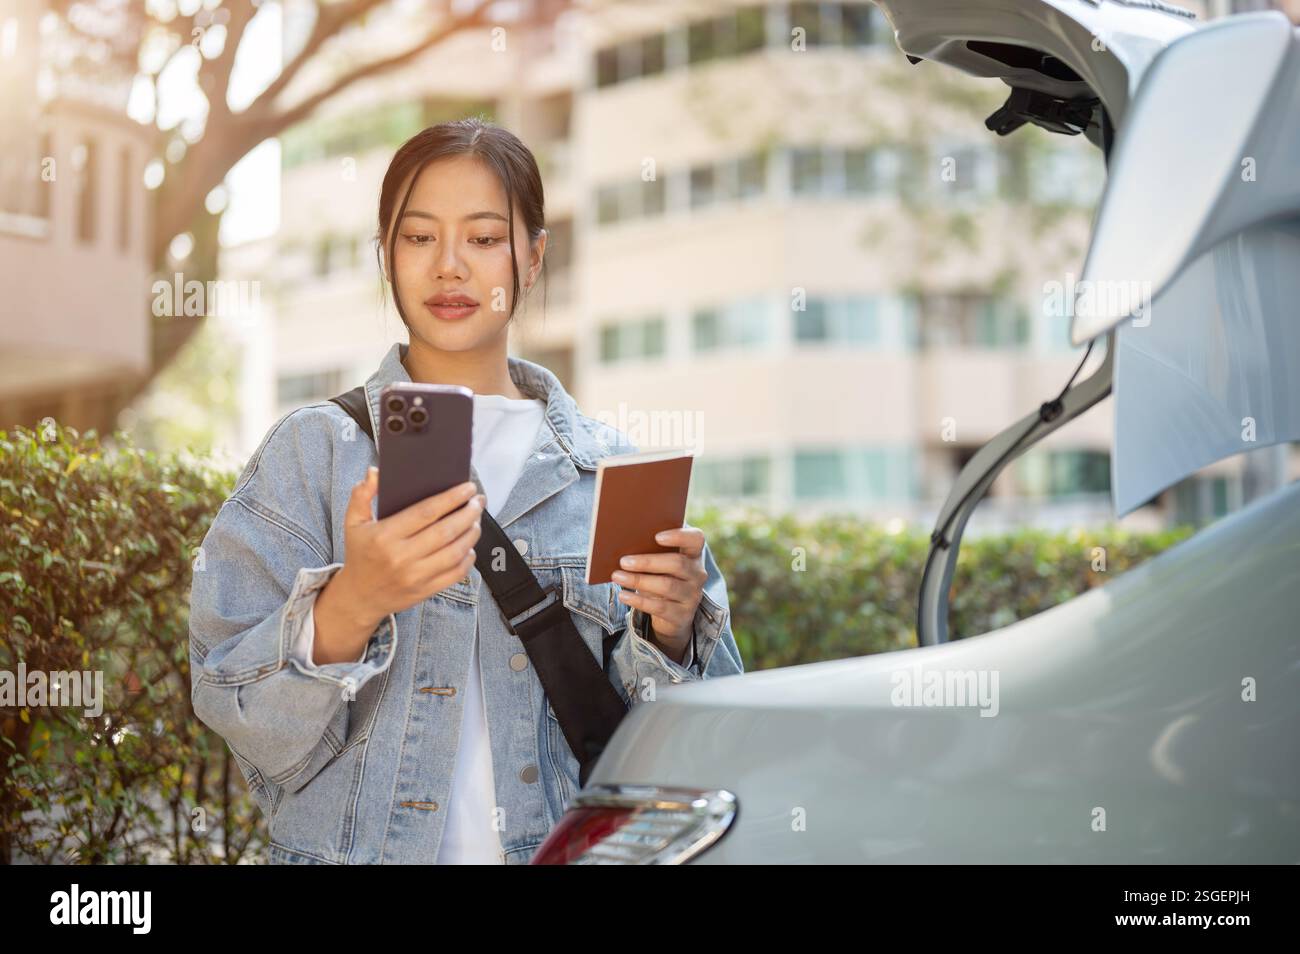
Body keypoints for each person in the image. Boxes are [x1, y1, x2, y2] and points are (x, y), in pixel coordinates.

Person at [188, 118, 745, 865]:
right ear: (385, 256)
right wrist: (353, 601)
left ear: (533, 257)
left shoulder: (611, 471)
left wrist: (671, 635)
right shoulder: (315, 452)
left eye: (483, 238)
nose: (449, 267)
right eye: (419, 237)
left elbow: (695, 757)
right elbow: (233, 709)